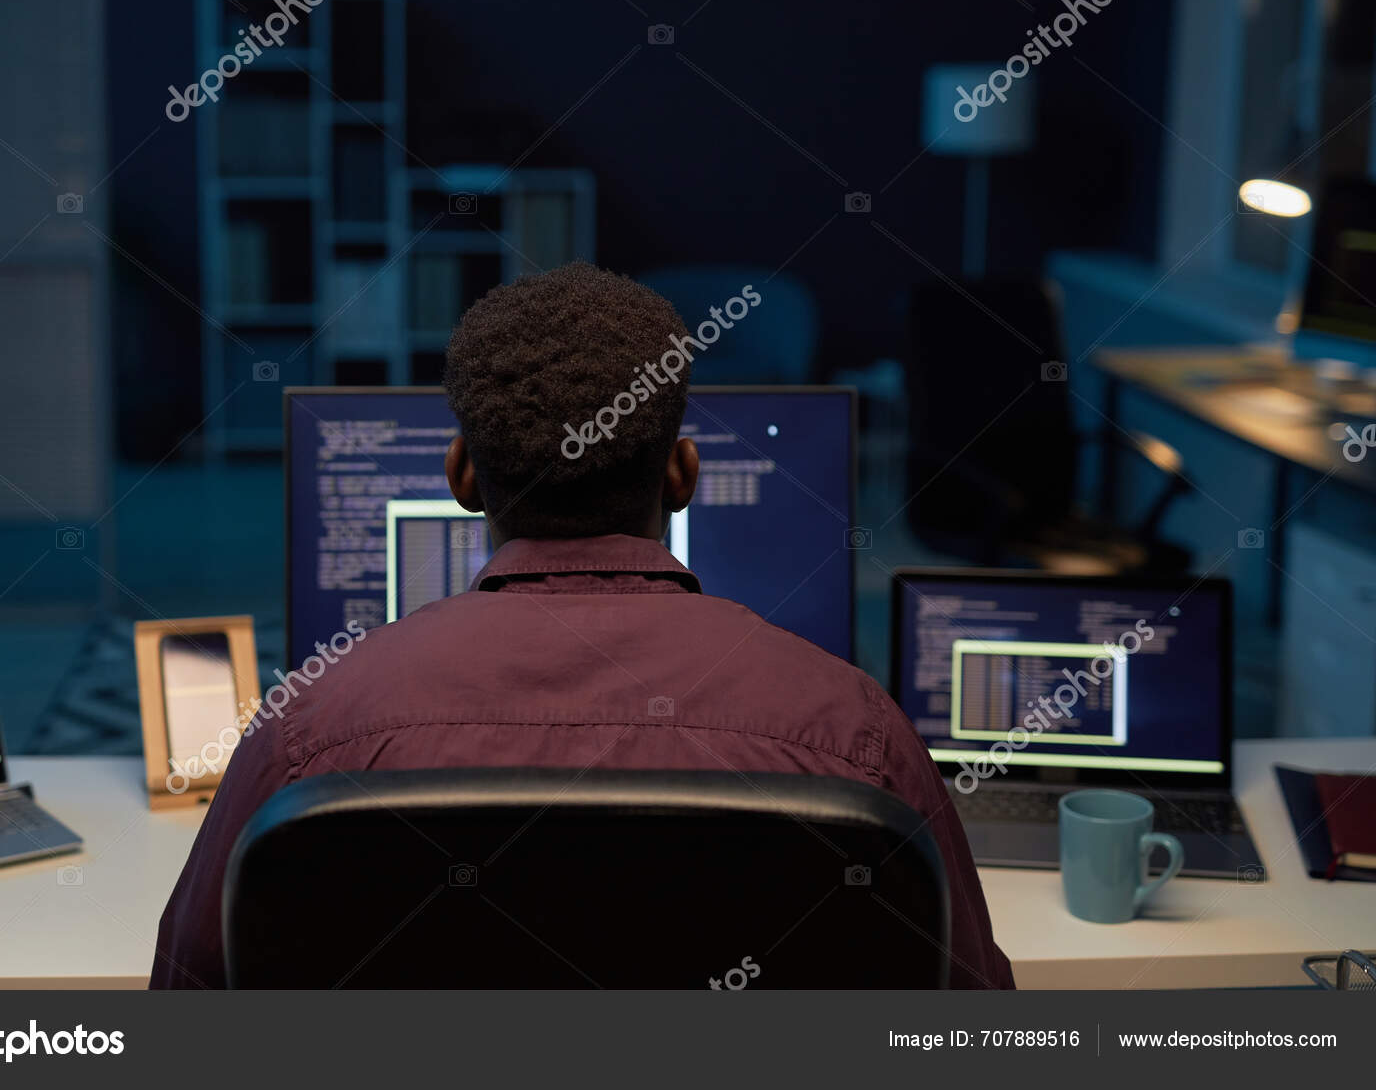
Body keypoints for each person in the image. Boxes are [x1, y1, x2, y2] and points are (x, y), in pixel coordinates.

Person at [151, 261, 1013, 989]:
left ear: (462, 476)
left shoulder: (312, 733)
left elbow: (188, 996)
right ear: (683, 473)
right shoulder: (854, 736)